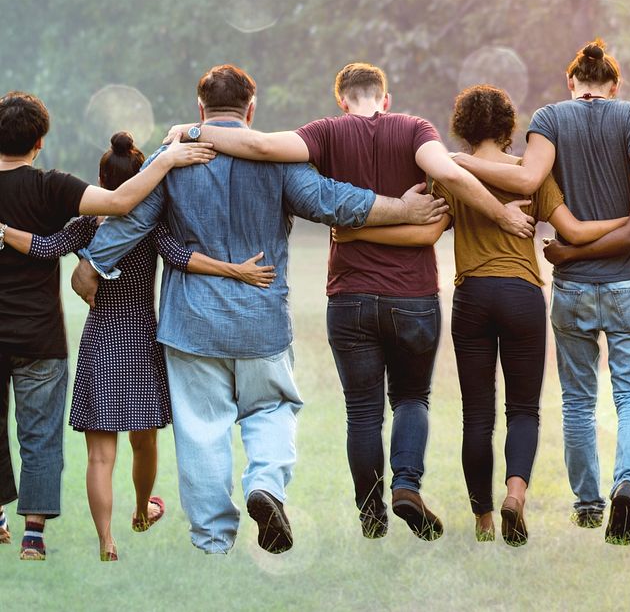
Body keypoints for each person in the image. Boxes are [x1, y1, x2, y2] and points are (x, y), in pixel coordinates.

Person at [70, 64, 445, 555]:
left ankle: (213, 539)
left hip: (192, 323)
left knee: (202, 430)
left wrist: (93, 263)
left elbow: (131, 217)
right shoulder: (278, 160)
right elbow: (332, 202)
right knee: (271, 409)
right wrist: (403, 208)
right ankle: (264, 487)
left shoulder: (174, 156)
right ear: (252, 109)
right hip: (261, 317)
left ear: (200, 109)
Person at [165, 63, 532, 543]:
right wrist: (502, 213)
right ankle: (406, 485)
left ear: (341, 100)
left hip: (349, 296)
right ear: (387, 97)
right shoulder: (415, 128)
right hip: (413, 296)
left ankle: (370, 513)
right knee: (411, 398)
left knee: (362, 411)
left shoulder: (324, 133)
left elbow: (256, 145)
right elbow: (448, 174)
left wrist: (192, 130)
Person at [335, 84, 628, 546]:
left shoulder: (450, 174)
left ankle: (484, 521)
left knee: (478, 416)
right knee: (524, 409)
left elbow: (423, 235)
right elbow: (572, 229)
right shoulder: (527, 173)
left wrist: (352, 236)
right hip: (523, 298)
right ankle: (515, 496)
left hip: (472, 299)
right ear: (509, 126)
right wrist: (629, 223)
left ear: (462, 127)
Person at [453, 39, 630, 545]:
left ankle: (589, 504)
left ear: (571, 82)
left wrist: (452, 163)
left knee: (577, 400)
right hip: (628, 281)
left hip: (571, 286)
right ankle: (627, 485)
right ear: (614, 84)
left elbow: (527, 175)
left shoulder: (549, 117)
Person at [2, 132, 276, 560]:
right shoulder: (152, 227)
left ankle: (105, 541)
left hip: (100, 340)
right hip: (142, 341)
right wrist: (234, 271)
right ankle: (142, 510)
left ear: (101, 178)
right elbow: (185, 258)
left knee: (100, 456)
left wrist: (3, 230)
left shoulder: (86, 226)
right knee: (144, 441)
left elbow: (44, 247)